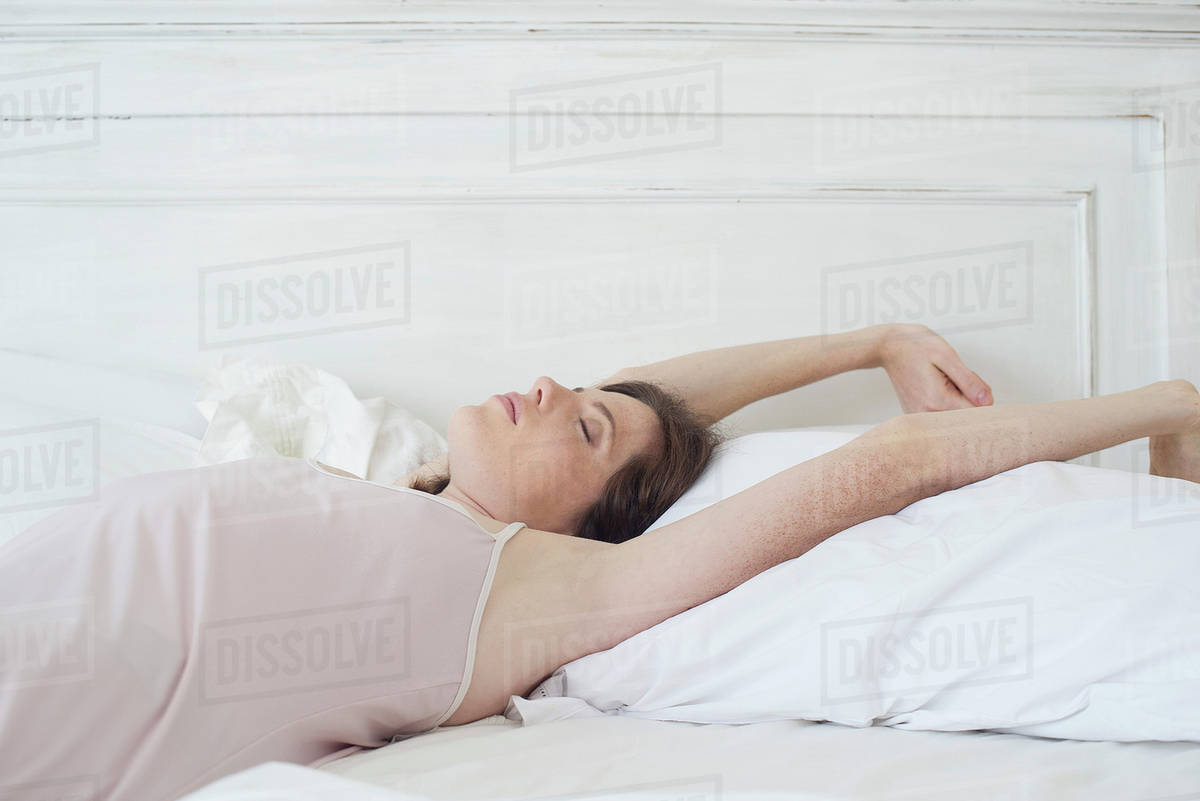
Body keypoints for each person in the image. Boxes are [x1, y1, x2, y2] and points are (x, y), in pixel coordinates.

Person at [1, 322, 1196, 800]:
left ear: (593, 516)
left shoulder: (547, 589)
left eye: (580, 428)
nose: (557, 388)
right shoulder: (410, 499)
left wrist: (1163, 403)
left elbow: (893, 464)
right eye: (577, 393)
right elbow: (651, 398)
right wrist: (867, 335)